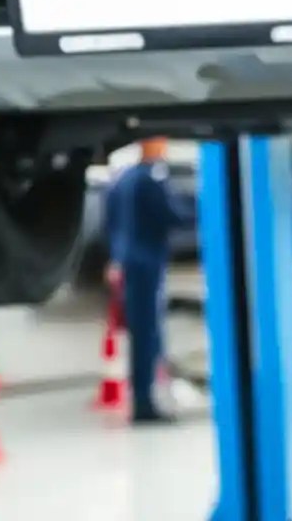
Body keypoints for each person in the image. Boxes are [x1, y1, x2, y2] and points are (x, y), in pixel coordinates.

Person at [104, 137, 189, 424]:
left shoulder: (123, 178)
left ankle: (144, 398)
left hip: (128, 263)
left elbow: (111, 220)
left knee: (140, 333)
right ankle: (144, 403)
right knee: (148, 334)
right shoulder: (153, 178)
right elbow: (171, 214)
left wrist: (115, 258)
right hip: (147, 264)